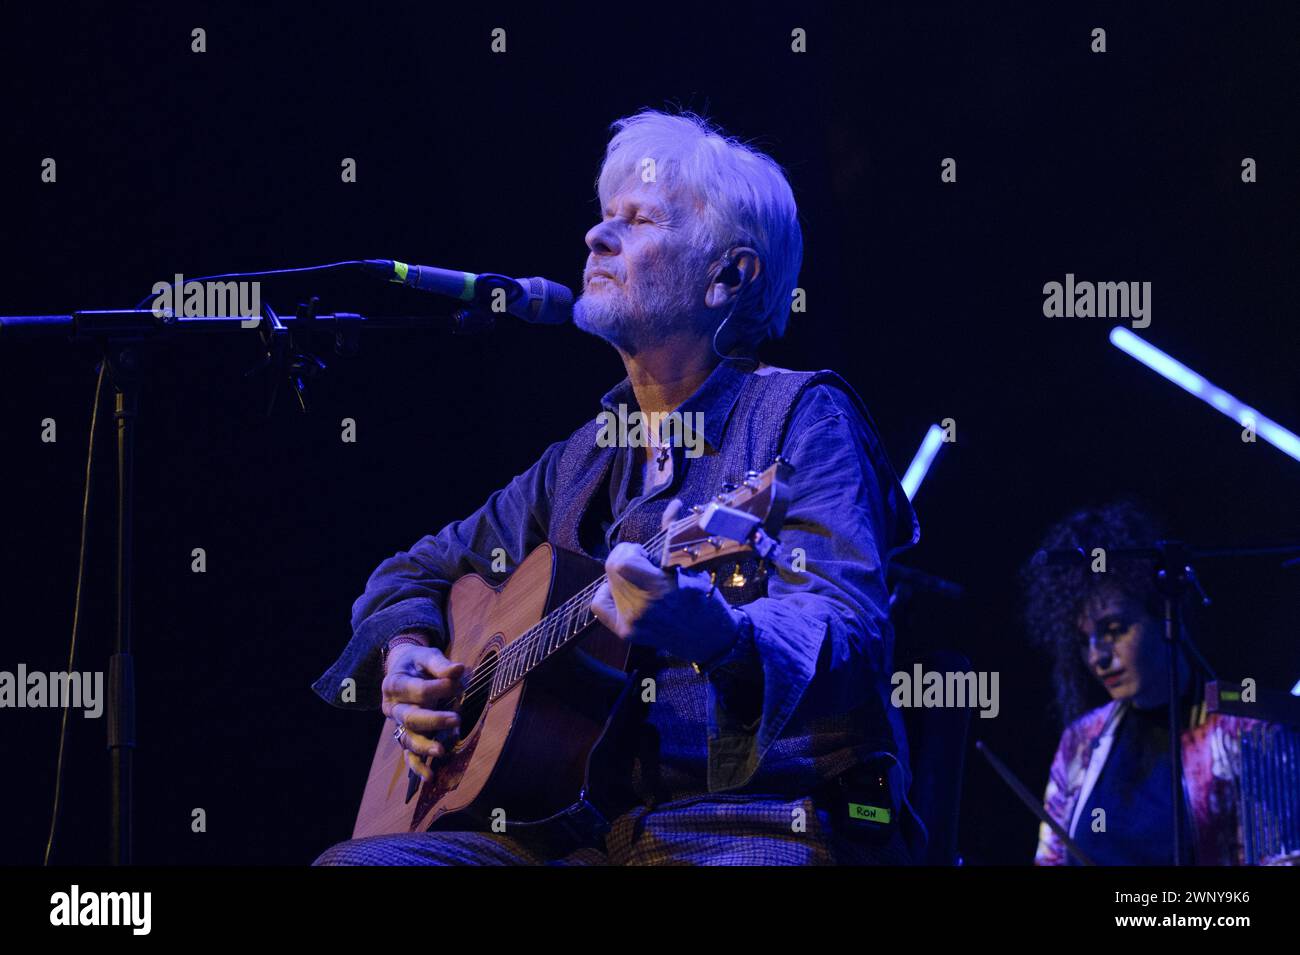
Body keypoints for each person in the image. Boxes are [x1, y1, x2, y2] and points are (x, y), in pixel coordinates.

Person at [311, 108, 922, 865]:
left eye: (638, 221)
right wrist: (406, 652)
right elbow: (414, 569)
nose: (596, 236)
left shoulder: (802, 416)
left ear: (728, 276)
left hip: (756, 821)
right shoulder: (584, 458)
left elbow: (848, 629)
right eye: (604, 216)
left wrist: (722, 637)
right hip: (580, 833)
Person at [1023, 501, 1255, 865]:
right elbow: (1050, 859)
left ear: (1164, 613)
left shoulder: (1241, 730)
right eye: (1084, 641)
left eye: (1114, 630)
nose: (1097, 657)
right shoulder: (1081, 741)